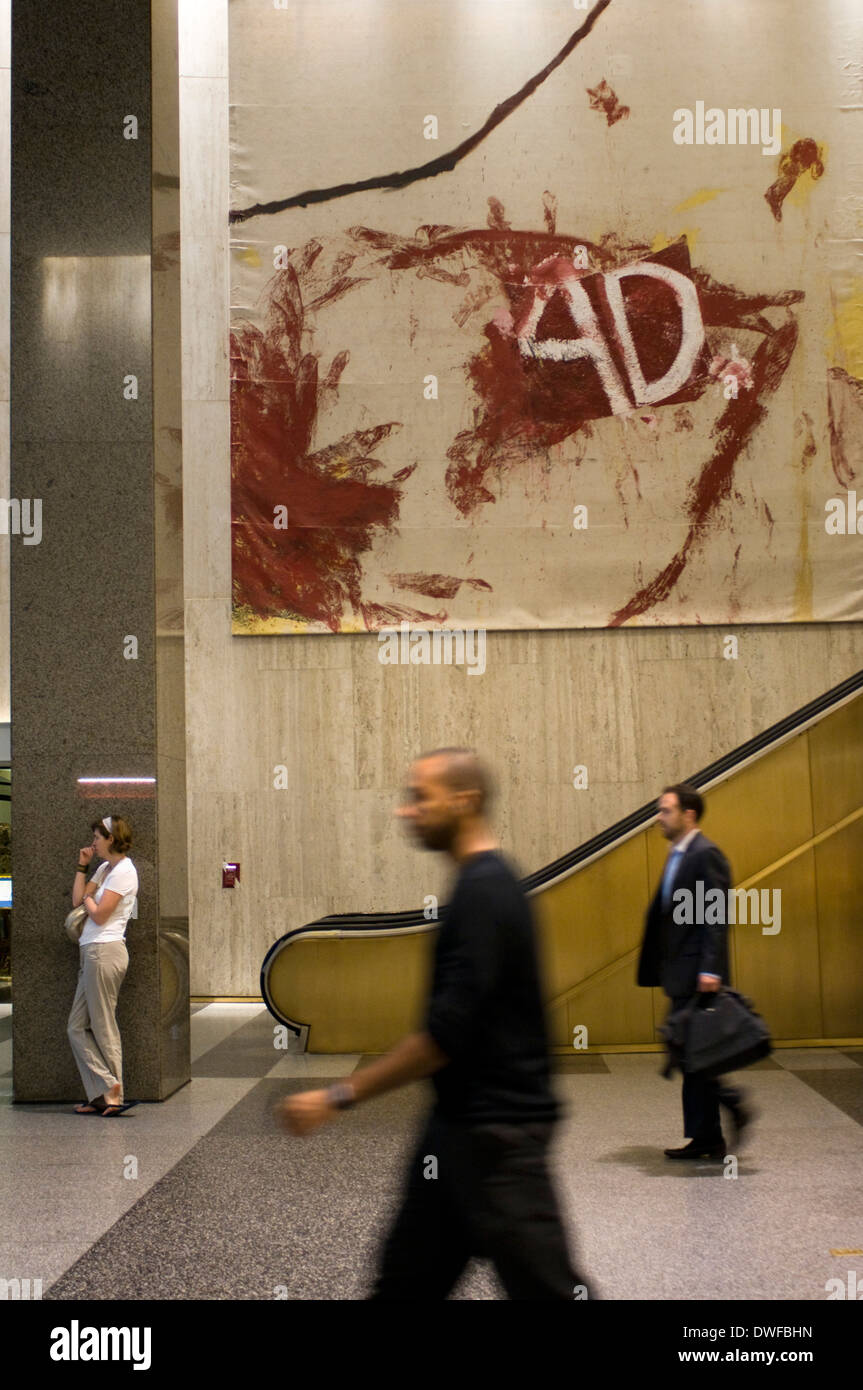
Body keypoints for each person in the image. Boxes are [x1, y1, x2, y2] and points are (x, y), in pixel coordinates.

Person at [275, 747, 592, 1300]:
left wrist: (337, 1097)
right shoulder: (479, 885)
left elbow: (444, 1037)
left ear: (464, 801)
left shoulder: (486, 892)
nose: (406, 811)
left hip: (497, 1142)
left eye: (420, 797)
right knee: (403, 1287)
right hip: (456, 1134)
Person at [637, 783, 751, 1159]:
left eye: (666, 811)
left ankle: (732, 1106)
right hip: (680, 972)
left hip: (698, 975)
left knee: (687, 1051)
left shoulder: (706, 854)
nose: (659, 818)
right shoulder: (679, 854)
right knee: (690, 1053)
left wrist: (711, 969)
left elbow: (715, 916)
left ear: (689, 814)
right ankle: (707, 1137)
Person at [68, 816, 138, 1117]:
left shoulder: (124, 871)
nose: (93, 841)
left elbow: (99, 915)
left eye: (97, 836)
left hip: (105, 951)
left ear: (111, 838)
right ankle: (103, 1089)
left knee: (103, 1025)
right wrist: (82, 868)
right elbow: (77, 899)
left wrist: (88, 899)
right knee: (75, 1027)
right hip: (91, 952)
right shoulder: (103, 868)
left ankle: (113, 1093)